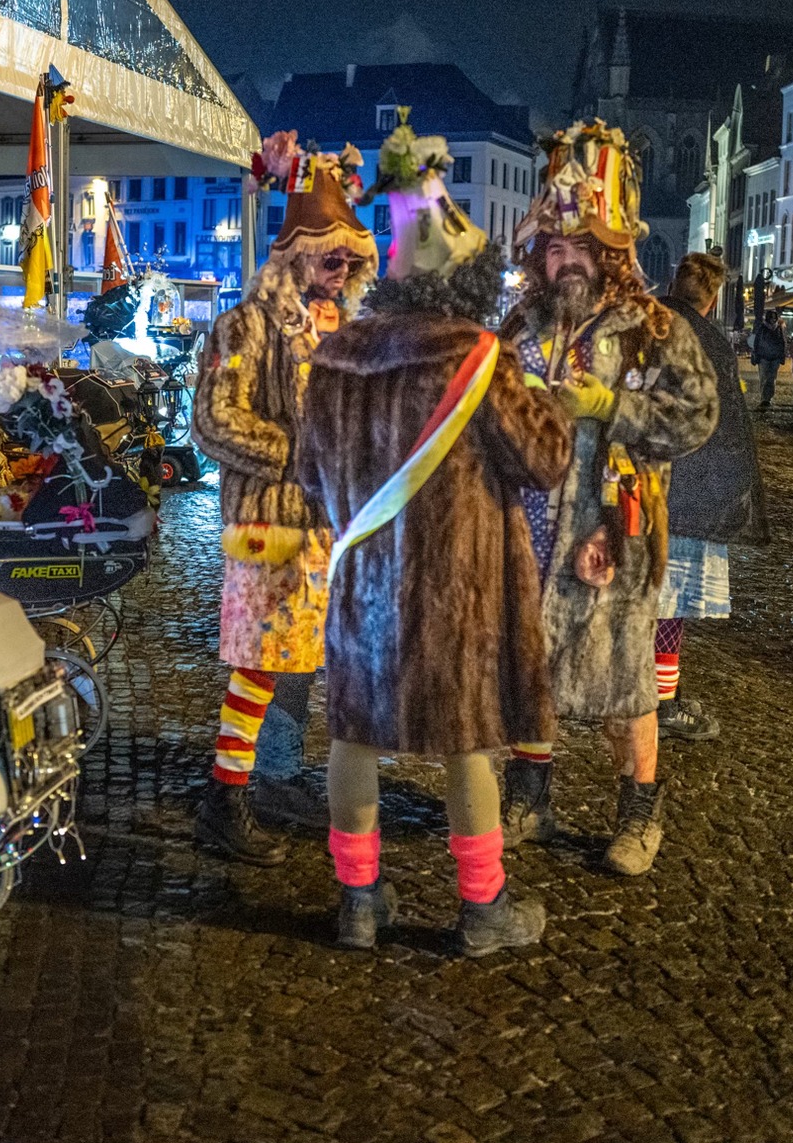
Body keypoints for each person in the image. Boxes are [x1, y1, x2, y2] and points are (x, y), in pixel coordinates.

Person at [295, 120, 571, 954]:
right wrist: (552, 397)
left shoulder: (336, 354)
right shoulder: (480, 355)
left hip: (360, 591)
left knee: (352, 740)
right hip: (458, 593)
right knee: (467, 748)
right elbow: (548, 458)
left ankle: (360, 904)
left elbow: (310, 473)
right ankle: (483, 909)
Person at [497, 122, 719, 876]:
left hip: (614, 541)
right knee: (532, 681)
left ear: (611, 252)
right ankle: (530, 795)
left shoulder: (652, 328)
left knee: (628, 688)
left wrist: (611, 409)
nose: (567, 261)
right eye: (555, 247)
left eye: (582, 247)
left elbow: (698, 415)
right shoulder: (520, 327)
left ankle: (639, 812)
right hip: (527, 534)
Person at [192, 132, 378, 864]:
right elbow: (212, 420)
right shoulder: (248, 325)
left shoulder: (351, 332)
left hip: (332, 525)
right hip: (269, 522)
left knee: (306, 657)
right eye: (330, 254)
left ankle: (274, 775)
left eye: (349, 258)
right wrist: (297, 454)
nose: (341, 268)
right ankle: (226, 795)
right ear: (296, 251)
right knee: (262, 662)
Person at [654, 253, 768, 742]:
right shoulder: (710, 343)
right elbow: (723, 428)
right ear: (714, 297)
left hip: (635, 488)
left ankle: (641, 694)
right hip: (687, 496)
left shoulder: (643, 325)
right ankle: (661, 702)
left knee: (642, 600)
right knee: (670, 602)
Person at [749, 308, 787, 410]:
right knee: (764, 378)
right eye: (771, 317)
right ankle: (764, 398)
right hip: (763, 357)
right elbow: (756, 342)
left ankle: (768, 398)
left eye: (774, 318)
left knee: (771, 378)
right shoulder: (762, 328)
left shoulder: (779, 328)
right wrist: (756, 355)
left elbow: (783, 342)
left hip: (775, 357)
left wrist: (782, 356)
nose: (773, 319)